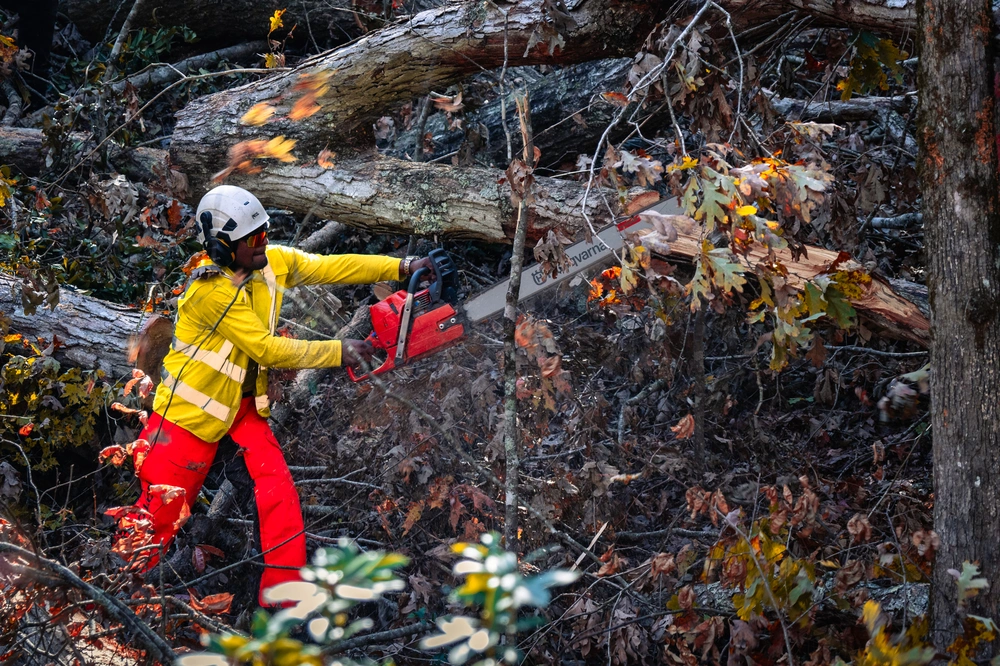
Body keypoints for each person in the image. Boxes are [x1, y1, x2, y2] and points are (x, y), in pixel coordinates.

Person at [130, 185, 434, 605]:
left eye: (265, 234)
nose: (263, 244)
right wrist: (337, 350)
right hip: (183, 420)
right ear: (222, 246)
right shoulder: (210, 292)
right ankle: (118, 598)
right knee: (154, 520)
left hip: (240, 410)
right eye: (253, 240)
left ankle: (282, 602)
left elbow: (330, 266)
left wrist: (401, 266)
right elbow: (266, 348)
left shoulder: (270, 263)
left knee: (279, 495)